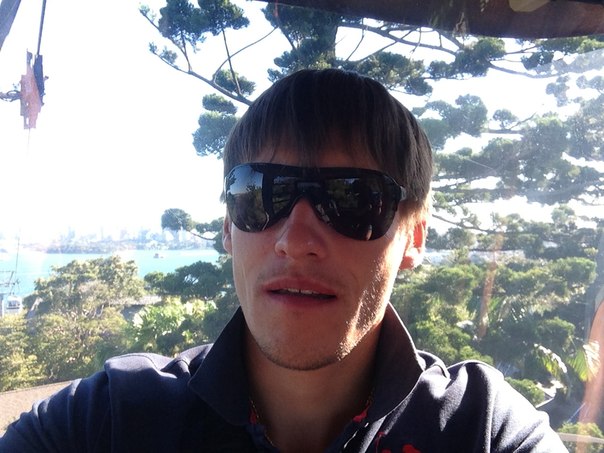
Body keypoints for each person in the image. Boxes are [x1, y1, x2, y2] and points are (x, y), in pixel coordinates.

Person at [0, 69, 567, 452]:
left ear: (414, 236)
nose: (296, 240)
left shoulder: (481, 430)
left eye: (354, 199)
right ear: (228, 227)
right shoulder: (112, 419)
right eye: (259, 194)